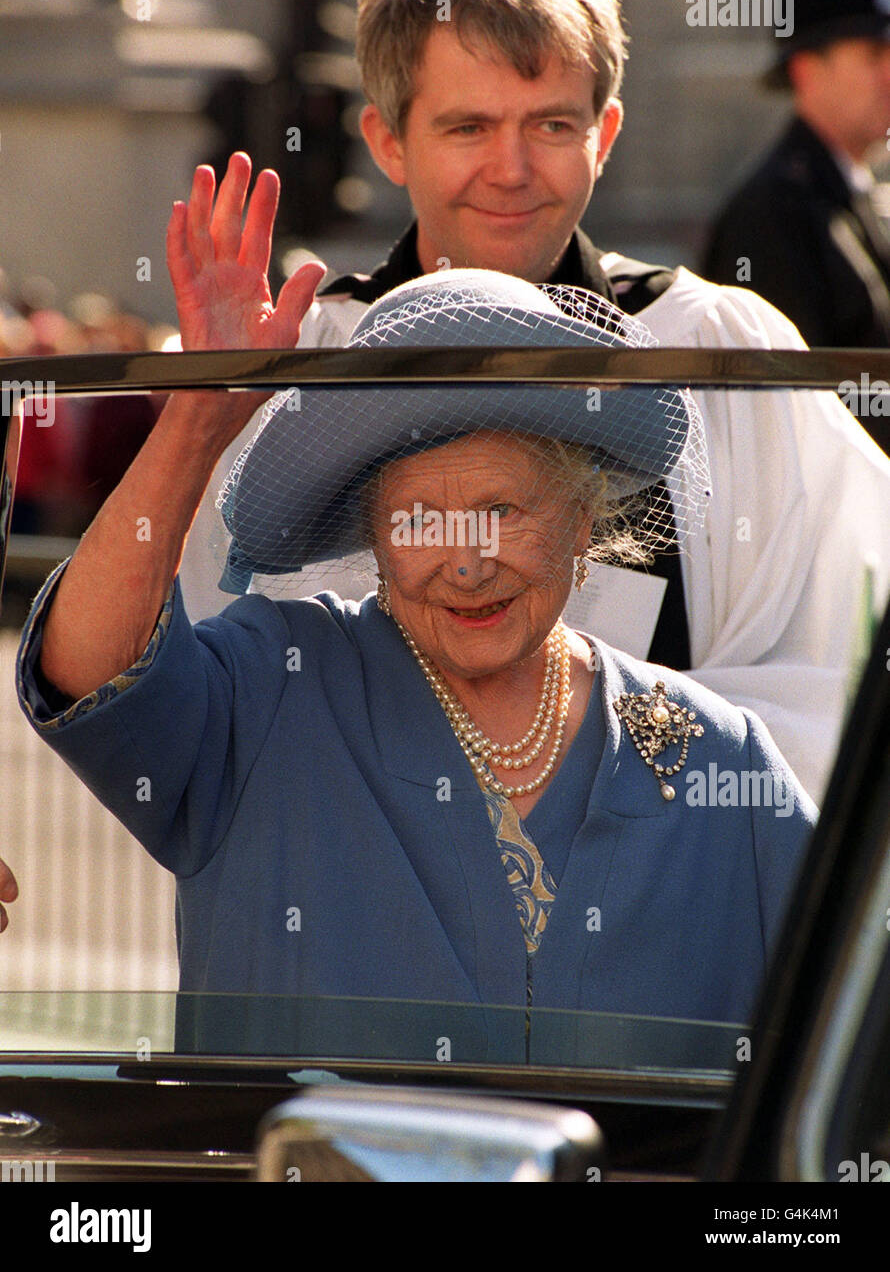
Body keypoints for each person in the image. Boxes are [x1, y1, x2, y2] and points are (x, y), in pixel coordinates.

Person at [15, 161, 815, 1031]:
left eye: (502, 511)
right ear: (374, 537)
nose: (464, 562)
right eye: (421, 519)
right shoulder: (271, 689)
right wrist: (198, 422)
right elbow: (88, 668)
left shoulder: (716, 760)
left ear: (583, 521)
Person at [179, 0, 890, 806]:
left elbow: (831, 672)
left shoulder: (716, 351)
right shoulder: (305, 354)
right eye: (468, 127)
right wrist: (202, 408)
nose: (512, 169)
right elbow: (190, 684)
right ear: (389, 142)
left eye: (552, 124)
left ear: (606, 132)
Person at [702, 0, 890, 453]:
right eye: (874, 54)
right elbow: (790, 436)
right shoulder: (773, 215)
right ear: (807, 69)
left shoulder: (850, 195)